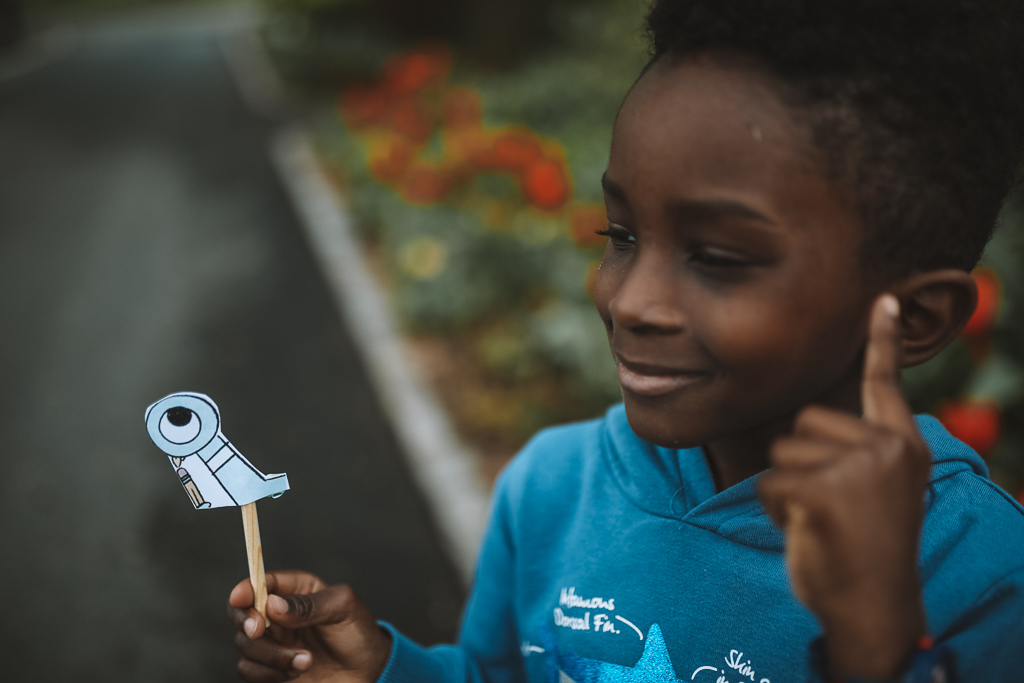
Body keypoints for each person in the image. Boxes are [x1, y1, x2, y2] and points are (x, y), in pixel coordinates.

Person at [227, 1, 1024, 681]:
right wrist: (389, 671)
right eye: (621, 232)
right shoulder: (550, 489)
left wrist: (881, 647)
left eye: (719, 258)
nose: (629, 299)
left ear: (914, 319)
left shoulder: (979, 574)